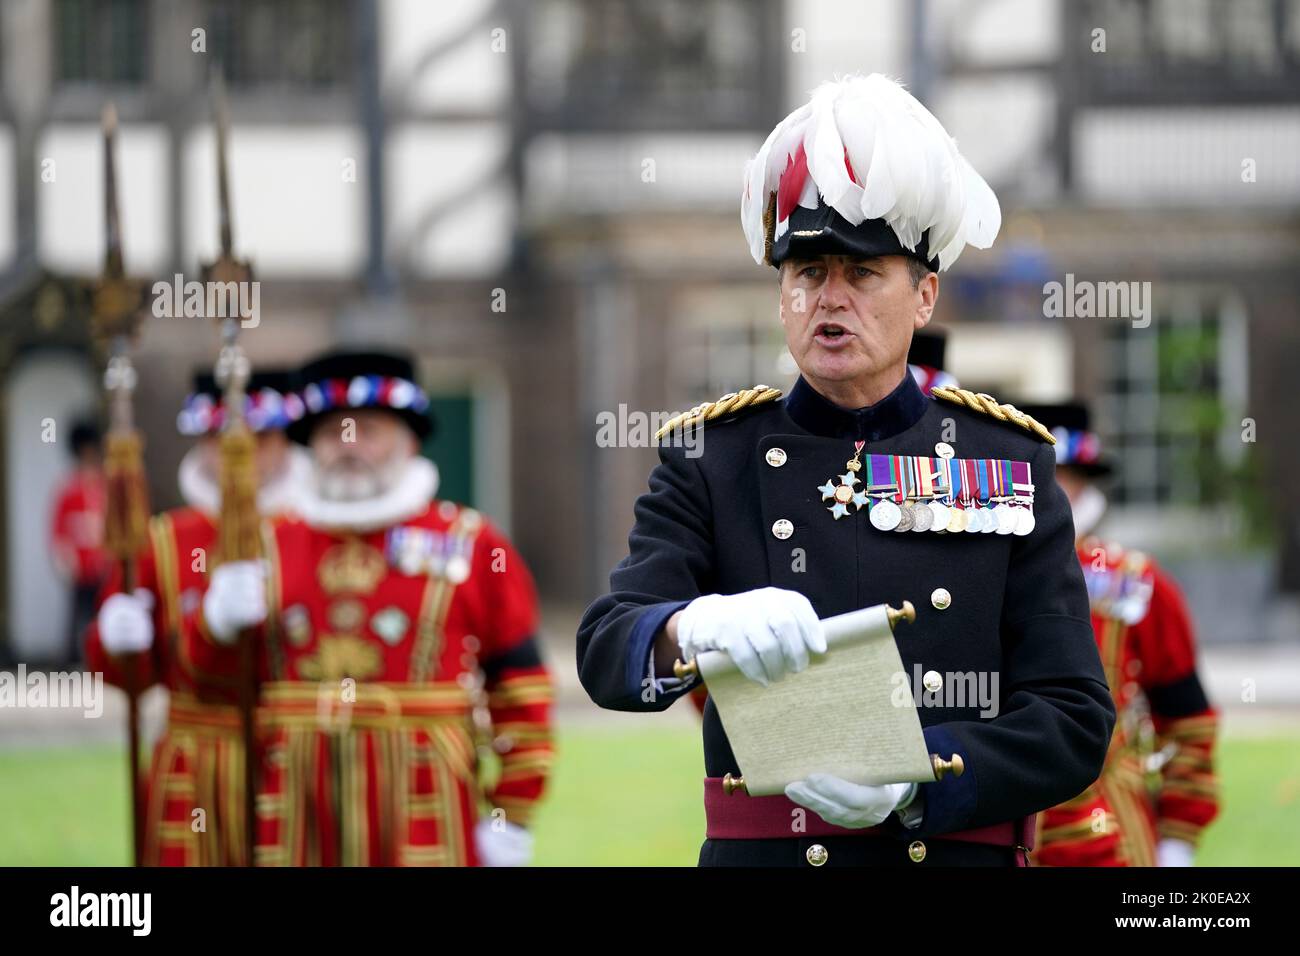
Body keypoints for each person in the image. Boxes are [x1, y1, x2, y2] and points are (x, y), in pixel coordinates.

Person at [577, 74, 1115, 867]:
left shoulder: (1009, 460)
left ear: (925, 295)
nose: (831, 299)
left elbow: (1072, 718)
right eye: (807, 274)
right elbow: (606, 647)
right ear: (782, 294)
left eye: (863, 275)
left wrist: (919, 778)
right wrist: (691, 627)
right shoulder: (711, 457)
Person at [191, 351, 554, 866]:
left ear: (409, 440)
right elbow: (216, 694)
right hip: (297, 806)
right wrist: (213, 627)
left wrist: (512, 814)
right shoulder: (265, 546)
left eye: (370, 430)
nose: (349, 447)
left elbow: (522, 686)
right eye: (332, 433)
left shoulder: (470, 542)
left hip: (425, 803)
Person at [84, 370, 310, 865]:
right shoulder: (163, 539)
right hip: (194, 759)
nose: (238, 455)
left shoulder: (315, 531)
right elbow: (129, 678)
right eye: (219, 439)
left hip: (292, 755)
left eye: (261, 439)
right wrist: (115, 640)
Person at [1017, 402, 1221, 867]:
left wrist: (1178, 839)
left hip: (1108, 839)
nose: (1053, 488)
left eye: (1066, 474)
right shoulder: (973, 580)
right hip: (996, 831)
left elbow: (1188, 718)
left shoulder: (1139, 584)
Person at [51, 419, 111, 666]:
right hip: (80, 563)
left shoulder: (103, 485)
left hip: (102, 561)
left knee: (101, 612)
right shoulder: (68, 488)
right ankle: (71, 659)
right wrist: (65, 559)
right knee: (77, 614)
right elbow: (59, 528)